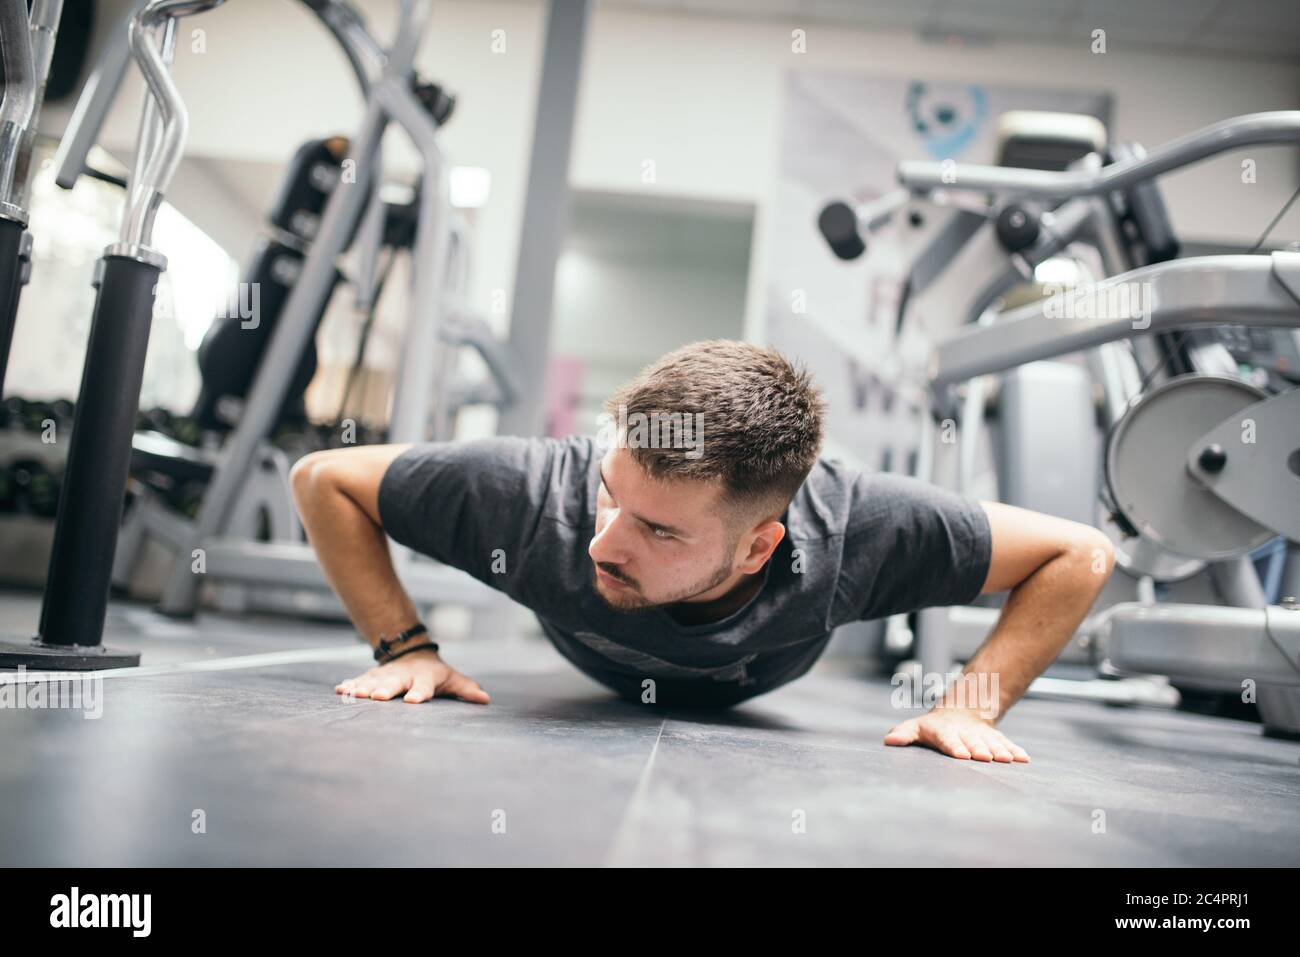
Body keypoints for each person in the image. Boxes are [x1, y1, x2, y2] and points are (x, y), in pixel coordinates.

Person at [290, 339, 1115, 762]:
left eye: (659, 530)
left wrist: (971, 702)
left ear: (761, 547)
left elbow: (1078, 554)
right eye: (612, 494)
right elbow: (324, 477)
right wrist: (407, 644)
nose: (604, 542)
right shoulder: (530, 493)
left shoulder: (864, 528)